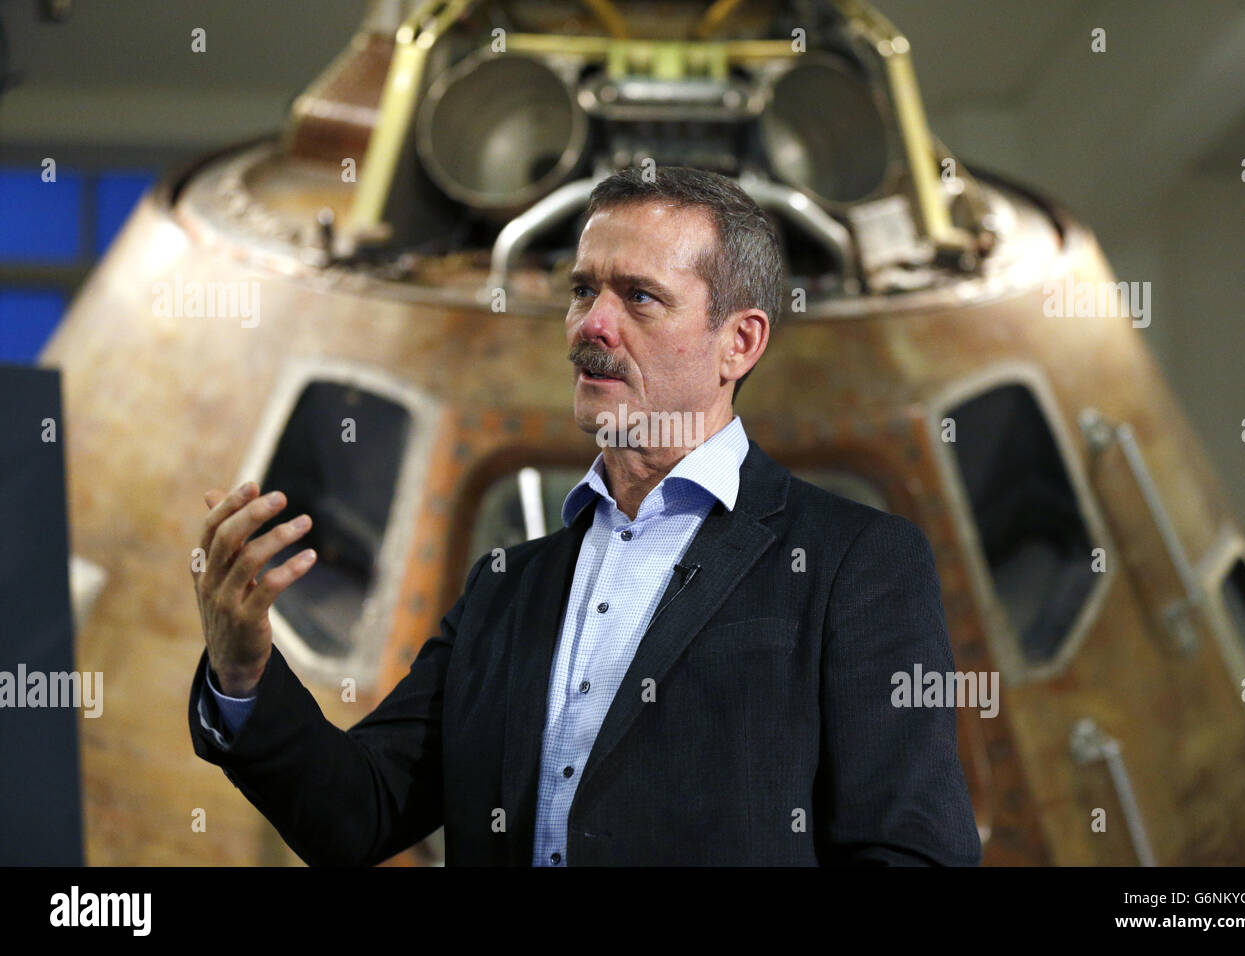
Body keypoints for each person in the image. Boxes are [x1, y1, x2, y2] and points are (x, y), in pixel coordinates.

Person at [189, 165, 982, 866]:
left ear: (738, 343)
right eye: (582, 291)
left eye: (639, 297)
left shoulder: (856, 563)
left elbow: (908, 851)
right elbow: (354, 814)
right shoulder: (507, 588)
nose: (590, 326)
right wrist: (242, 672)